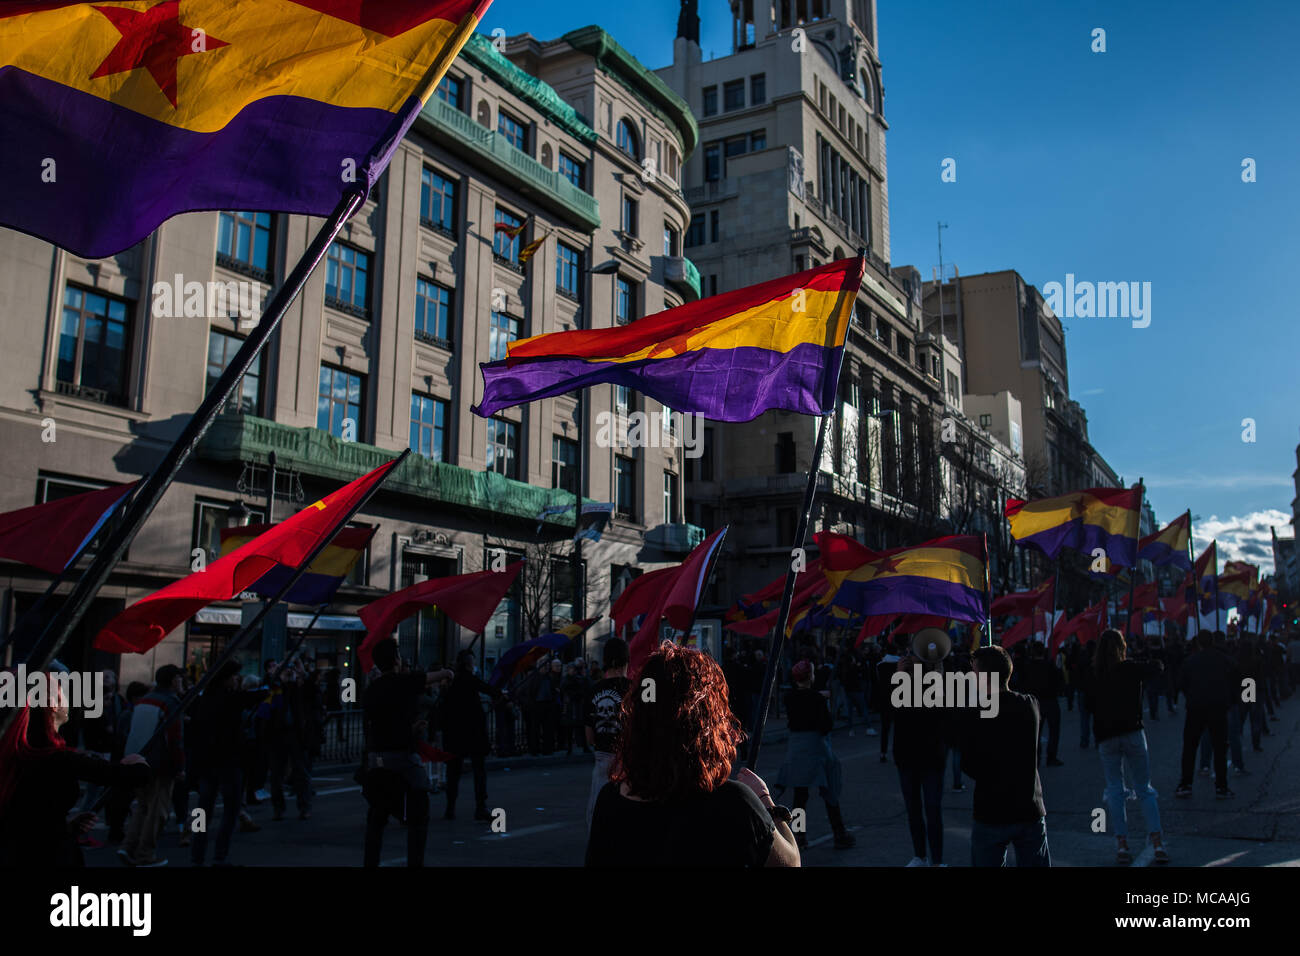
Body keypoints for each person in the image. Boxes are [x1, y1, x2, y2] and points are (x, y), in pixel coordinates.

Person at [586, 642, 800, 867]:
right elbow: (791, 862)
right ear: (710, 720)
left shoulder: (610, 799)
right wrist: (766, 801)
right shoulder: (735, 802)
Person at [0, 672, 151, 868]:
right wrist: (138, 763)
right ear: (53, 704)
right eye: (64, 693)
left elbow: (29, 818)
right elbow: (130, 776)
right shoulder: (54, 758)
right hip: (46, 856)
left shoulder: (20, 754)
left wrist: (65, 826)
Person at [361, 639, 453, 866]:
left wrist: (410, 728)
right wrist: (448, 672)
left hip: (377, 758)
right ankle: (415, 861)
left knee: (377, 817)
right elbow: (428, 678)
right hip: (402, 757)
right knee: (419, 811)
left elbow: (381, 723)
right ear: (395, 660)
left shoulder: (371, 689)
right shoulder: (401, 682)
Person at [960, 645, 1050, 867]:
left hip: (991, 811)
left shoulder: (975, 712)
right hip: (1029, 807)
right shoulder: (1031, 704)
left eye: (974, 672)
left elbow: (968, 764)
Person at [1089, 629, 1168, 864]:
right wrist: (1149, 650)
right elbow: (1158, 667)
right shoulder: (1131, 668)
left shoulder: (1095, 673)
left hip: (1106, 735)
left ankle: (1122, 843)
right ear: (1122, 647)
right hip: (1132, 731)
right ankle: (1156, 841)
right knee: (1144, 788)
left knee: (1114, 790)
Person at [189, 660, 267, 866]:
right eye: (234, 677)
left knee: (203, 810)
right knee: (230, 811)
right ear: (225, 679)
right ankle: (219, 855)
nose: (236, 680)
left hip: (207, 762)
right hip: (228, 762)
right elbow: (258, 695)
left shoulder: (203, 700)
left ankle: (197, 853)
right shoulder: (228, 699)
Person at [780, 659, 855, 850]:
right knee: (829, 791)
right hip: (815, 746)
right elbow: (826, 725)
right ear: (810, 676)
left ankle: (799, 836)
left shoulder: (789, 698)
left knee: (800, 795)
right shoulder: (817, 699)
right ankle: (839, 832)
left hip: (796, 747)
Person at [120, 664, 186, 867]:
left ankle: (128, 846)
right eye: (179, 679)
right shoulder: (170, 703)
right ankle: (145, 853)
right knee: (157, 810)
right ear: (174, 680)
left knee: (142, 807)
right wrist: (179, 765)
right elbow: (174, 739)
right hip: (160, 763)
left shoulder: (145, 701)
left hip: (137, 759)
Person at [890, 653, 949, 866]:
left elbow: (945, 714)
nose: (912, 656)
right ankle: (920, 855)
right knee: (913, 810)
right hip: (907, 757)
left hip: (932, 757)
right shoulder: (901, 680)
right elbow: (888, 710)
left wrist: (938, 680)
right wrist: (898, 675)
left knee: (933, 809)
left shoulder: (938, 679)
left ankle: (937, 860)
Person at [440, 649, 504, 821]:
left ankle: (450, 807)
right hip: (473, 733)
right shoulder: (469, 679)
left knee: (453, 772)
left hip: (454, 734)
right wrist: (499, 695)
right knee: (479, 771)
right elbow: (490, 690)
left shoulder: (451, 683)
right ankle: (480, 807)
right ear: (469, 664)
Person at [1175, 632, 1239, 799]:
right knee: (1220, 748)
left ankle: (1185, 784)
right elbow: (1237, 681)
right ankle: (1221, 787)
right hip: (1218, 707)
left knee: (1190, 747)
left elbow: (1180, 683)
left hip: (1196, 707)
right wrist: (1231, 701)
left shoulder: (1191, 661)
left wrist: (1190, 695)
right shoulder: (1225, 660)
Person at [584, 637, 630, 830]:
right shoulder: (633, 689)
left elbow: (589, 736)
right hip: (627, 758)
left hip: (602, 758)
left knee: (597, 816)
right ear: (625, 661)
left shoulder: (593, 690)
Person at [267, 658, 312, 821]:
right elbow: (267, 704)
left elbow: (311, 692)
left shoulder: (299, 689)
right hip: (278, 735)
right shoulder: (276, 688)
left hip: (296, 734)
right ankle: (278, 807)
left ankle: (304, 806)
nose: (288, 673)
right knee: (276, 775)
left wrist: (301, 674)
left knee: (301, 773)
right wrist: (276, 677)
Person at [1013, 641, 1064, 766]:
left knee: (1036, 732)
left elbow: (1022, 685)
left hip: (1035, 702)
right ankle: (1051, 757)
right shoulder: (1049, 665)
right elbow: (1059, 682)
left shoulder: (1028, 666)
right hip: (1050, 701)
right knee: (1053, 731)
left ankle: (1036, 757)